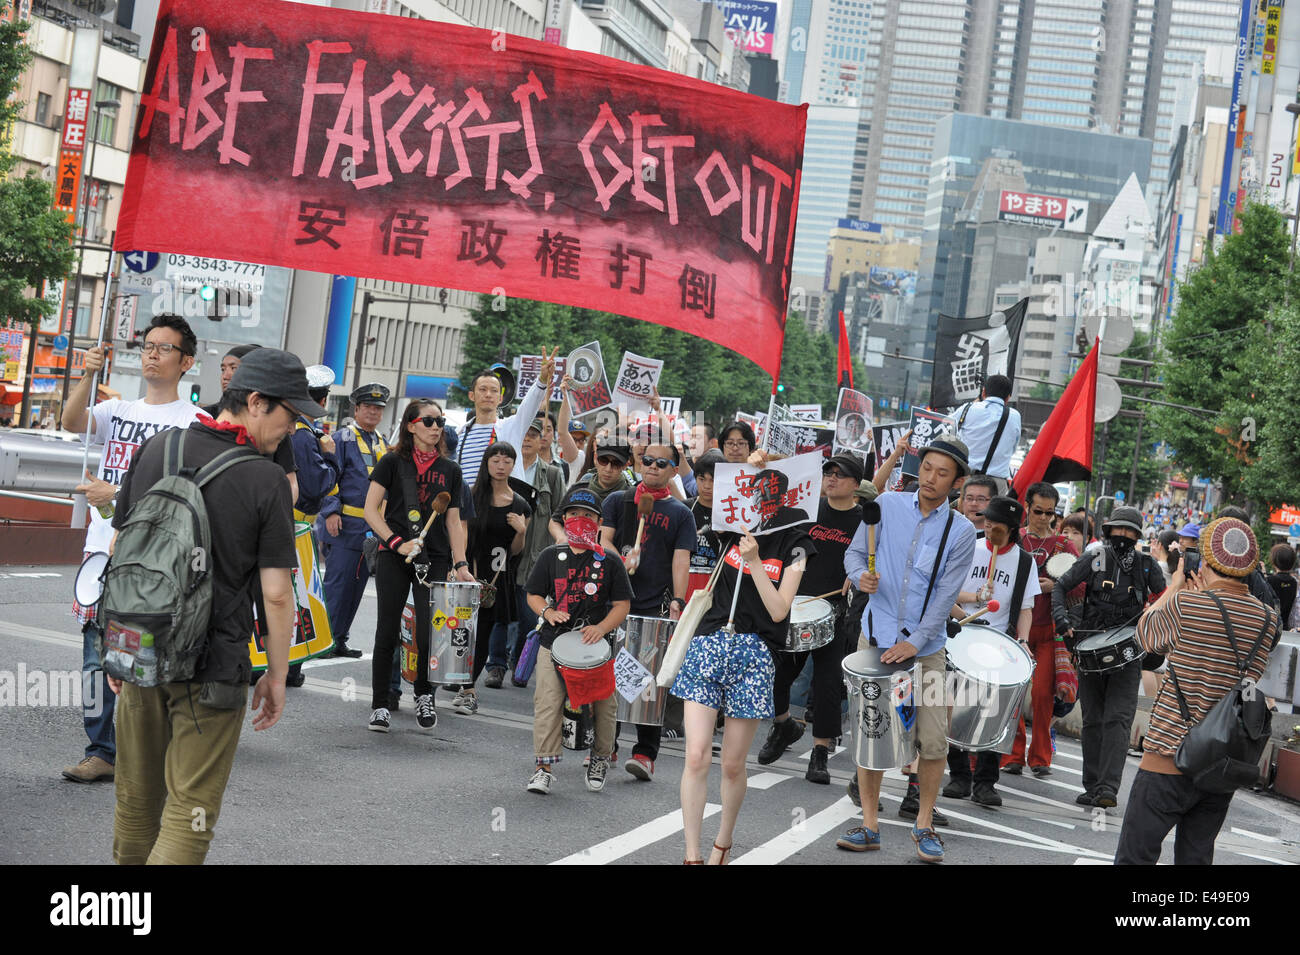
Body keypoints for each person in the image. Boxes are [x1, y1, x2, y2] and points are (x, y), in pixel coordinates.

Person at [108, 348, 314, 863]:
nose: (292, 429)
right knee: (190, 814)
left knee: (135, 803)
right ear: (257, 402)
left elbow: (121, 555)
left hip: (144, 647)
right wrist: (277, 673)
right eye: (290, 416)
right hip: (214, 665)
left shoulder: (159, 447)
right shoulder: (265, 480)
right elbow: (276, 593)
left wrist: (118, 641)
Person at [60, 314, 203, 784]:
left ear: (186, 362)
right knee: (94, 652)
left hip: (154, 560)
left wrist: (116, 498)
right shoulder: (117, 410)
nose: (152, 354)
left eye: (164, 348)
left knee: (146, 650)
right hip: (102, 552)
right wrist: (87, 373)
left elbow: (185, 499)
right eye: (147, 346)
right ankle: (101, 749)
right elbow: (71, 420)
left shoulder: (194, 424)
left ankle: (145, 752)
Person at [836, 437, 976, 863]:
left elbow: (945, 597)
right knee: (873, 734)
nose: (931, 479)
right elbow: (854, 554)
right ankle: (870, 825)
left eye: (942, 473)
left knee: (933, 742)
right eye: (927, 468)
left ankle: (925, 824)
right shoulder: (886, 506)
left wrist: (914, 644)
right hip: (875, 638)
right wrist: (861, 576)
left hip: (927, 649)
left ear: (958, 482)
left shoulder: (962, 530)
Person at [1114, 518, 1281, 864]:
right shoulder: (1267, 619)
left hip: (1169, 751)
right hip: (1223, 759)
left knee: (1136, 855)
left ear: (1204, 562)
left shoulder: (1187, 605)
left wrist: (1175, 587)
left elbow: (1145, 635)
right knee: (1196, 856)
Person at [673, 515, 813, 863]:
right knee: (696, 755)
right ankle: (692, 854)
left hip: (755, 655)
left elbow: (779, 610)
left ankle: (723, 842)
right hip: (709, 643)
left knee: (733, 764)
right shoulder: (731, 527)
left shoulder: (796, 545)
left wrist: (754, 561)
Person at [362, 399, 473, 732]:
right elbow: (370, 510)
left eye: (439, 421)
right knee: (386, 630)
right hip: (395, 554)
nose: (436, 426)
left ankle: (425, 695)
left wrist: (461, 563)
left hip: (434, 558)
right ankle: (380, 703)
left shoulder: (450, 470)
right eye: (428, 421)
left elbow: (454, 522)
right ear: (411, 425)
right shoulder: (392, 462)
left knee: (429, 632)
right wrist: (396, 543)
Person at [1051, 505, 1166, 809]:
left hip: (1128, 653)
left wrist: (1150, 626)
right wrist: (1063, 622)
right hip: (1089, 649)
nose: (1123, 536)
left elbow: (1164, 601)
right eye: (1119, 530)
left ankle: (1108, 788)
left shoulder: (1146, 566)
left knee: (1118, 720)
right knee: (1093, 720)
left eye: (1130, 531)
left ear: (1138, 535)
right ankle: (1091, 785)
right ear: (1108, 530)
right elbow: (1060, 587)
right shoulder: (1094, 556)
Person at [760, 454, 864, 784]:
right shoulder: (808, 512)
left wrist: (859, 573)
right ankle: (783, 725)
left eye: (840, 475)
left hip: (834, 611)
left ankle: (819, 754)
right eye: (828, 473)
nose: (831, 479)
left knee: (828, 683)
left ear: (855, 484)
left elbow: (871, 559)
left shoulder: (864, 522)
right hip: (794, 605)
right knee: (776, 674)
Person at [524, 486, 633, 794]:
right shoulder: (551, 556)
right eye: (574, 514)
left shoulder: (610, 562)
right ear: (564, 519)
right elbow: (532, 594)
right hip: (552, 642)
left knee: (603, 705)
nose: (580, 520)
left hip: (594, 647)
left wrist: (601, 628)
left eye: (588, 515)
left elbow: (622, 605)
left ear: (598, 522)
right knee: (547, 702)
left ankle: (599, 757)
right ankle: (543, 767)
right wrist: (547, 612)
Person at [600, 434, 695, 781]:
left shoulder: (680, 513)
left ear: (672, 470)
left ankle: (645, 753)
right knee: (609, 675)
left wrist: (678, 601)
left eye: (661, 463)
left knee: (647, 683)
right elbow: (603, 540)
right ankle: (605, 744)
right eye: (647, 460)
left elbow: (681, 560)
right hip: (615, 601)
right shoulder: (618, 500)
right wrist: (622, 559)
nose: (652, 467)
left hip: (654, 605)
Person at [944, 495, 1038, 806]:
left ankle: (986, 781)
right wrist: (974, 597)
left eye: (995, 524)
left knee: (996, 714)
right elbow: (945, 590)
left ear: (1011, 529)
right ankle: (958, 774)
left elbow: (1025, 607)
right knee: (955, 706)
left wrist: (1023, 641)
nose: (988, 527)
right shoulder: (968, 546)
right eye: (986, 521)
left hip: (1000, 641)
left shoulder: (1025, 562)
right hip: (963, 633)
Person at [1000, 482, 1080, 776]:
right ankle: (1013, 754)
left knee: (1044, 695)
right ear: (1027, 508)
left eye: (1050, 512)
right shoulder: (1014, 538)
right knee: (1014, 694)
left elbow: (1081, 583)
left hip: (1047, 631)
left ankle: (1040, 756)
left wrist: (1057, 585)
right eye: (1038, 511)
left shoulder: (1063, 545)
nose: (1044, 518)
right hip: (1015, 631)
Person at [487, 417, 565, 688]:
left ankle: (518, 663)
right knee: (500, 612)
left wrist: (558, 547)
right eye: (524, 434)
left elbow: (559, 514)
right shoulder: (503, 469)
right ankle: (495, 665)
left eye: (534, 434)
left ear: (542, 439)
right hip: (503, 553)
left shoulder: (552, 474)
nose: (528, 439)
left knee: (529, 615)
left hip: (535, 554)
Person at [320, 383, 391, 660]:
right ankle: (324, 640)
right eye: (368, 407)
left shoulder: (382, 442)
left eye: (378, 408)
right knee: (337, 586)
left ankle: (340, 639)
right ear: (357, 409)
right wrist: (331, 511)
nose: (373, 412)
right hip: (346, 524)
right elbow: (329, 477)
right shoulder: (342, 438)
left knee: (357, 586)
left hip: (372, 529)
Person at [282, 364, 341, 688]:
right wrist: (330, 457)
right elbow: (318, 483)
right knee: (296, 600)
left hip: (286, 519)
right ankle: (289, 666)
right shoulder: (305, 435)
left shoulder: (294, 430)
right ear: (320, 401)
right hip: (298, 525)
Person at [460, 441, 530, 711]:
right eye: (495, 460)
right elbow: (458, 532)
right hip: (467, 572)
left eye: (507, 461)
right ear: (486, 463)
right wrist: (457, 565)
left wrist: (521, 531)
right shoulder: (470, 494)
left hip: (496, 580)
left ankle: (468, 688)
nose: (501, 466)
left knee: (484, 634)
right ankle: (450, 679)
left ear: (514, 465)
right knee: (459, 631)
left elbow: (514, 552)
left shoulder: (520, 503)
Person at [454, 351, 556, 489]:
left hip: (501, 507)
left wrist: (542, 380)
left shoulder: (511, 427)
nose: (488, 395)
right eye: (483, 389)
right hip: (465, 507)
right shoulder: (460, 432)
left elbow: (529, 406)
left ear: (501, 398)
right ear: (471, 395)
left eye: (494, 391)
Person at [953, 373, 1021, 491]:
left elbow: (943, 427)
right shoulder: (1014, 416)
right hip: (996, 484)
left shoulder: (968, 408)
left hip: (965, 478)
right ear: (1008, 397)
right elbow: (1013, 448)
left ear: (983, 392)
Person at [1266, 543, 1298, 627]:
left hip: (1269, 625)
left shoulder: (1269, 580)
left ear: (1273, 561)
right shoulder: (1294, 582)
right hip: (1286, 626)